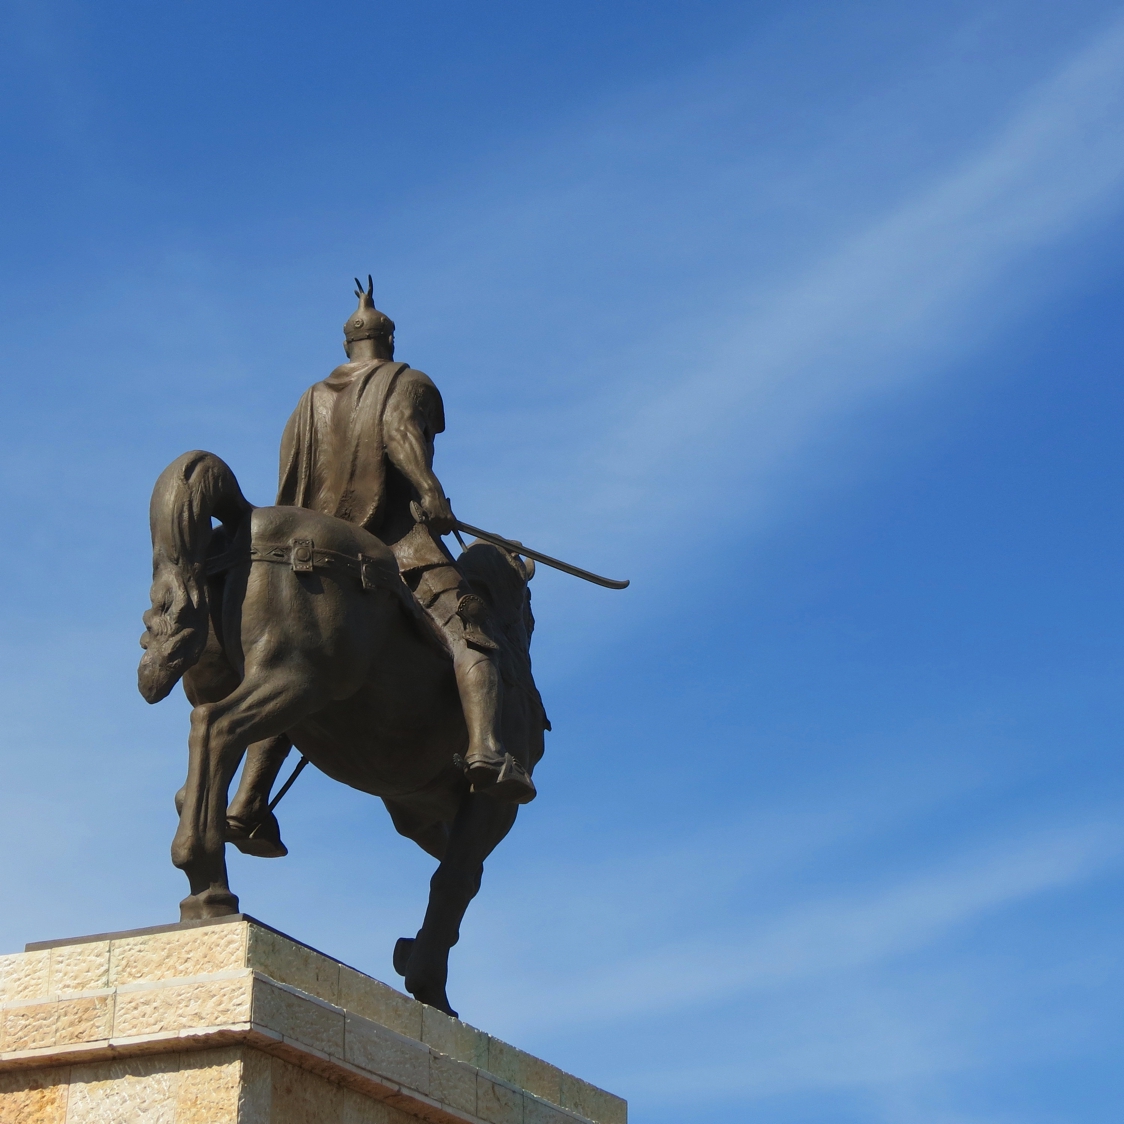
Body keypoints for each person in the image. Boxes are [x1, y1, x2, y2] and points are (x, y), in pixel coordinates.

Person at [275, 277, 534, 805]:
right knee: (473, 631)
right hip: (396, 544)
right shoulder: (408, 381)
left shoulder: (308, 400)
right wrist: (430, 489)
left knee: (286, 669)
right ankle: (486, 748)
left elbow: (292, 474)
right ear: (388, 342)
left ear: (348, 345)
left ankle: (250, 797)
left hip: (317, 550)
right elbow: (399, 432)